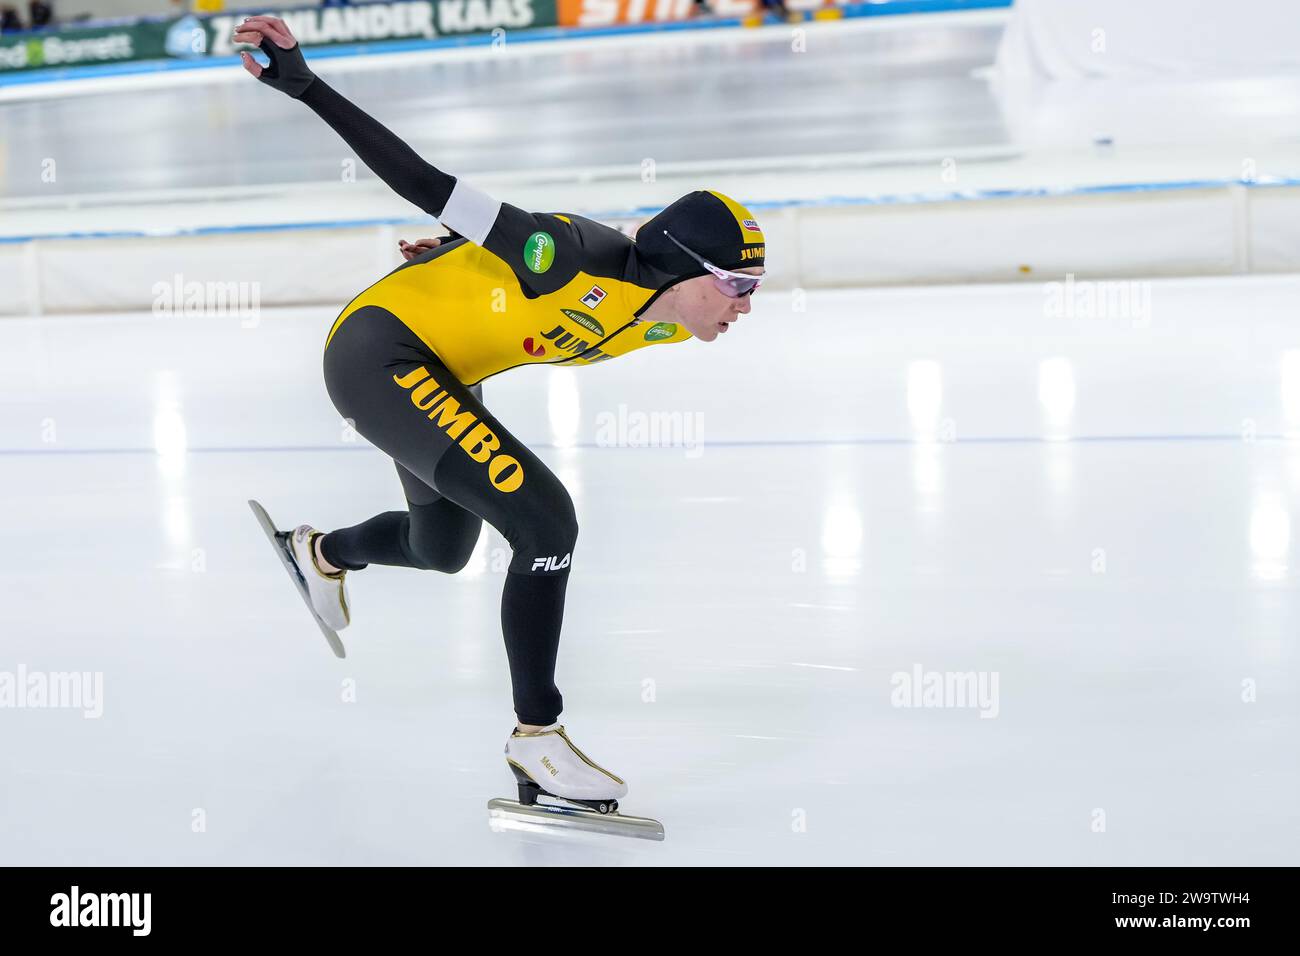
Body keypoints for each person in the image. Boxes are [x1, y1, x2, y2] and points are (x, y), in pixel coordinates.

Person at [236, 16, 766, 813]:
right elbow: (425, 183)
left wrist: (453, 261)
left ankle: (321, 554)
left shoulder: (665, 315)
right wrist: (304, 84)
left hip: (444, 371)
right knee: (546, 522)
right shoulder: (562, 254)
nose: (743, 307)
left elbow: (481, 272)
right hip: (380, 356)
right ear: (685, 268)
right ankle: (537, 738)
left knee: (440, 547)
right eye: (736, 285)